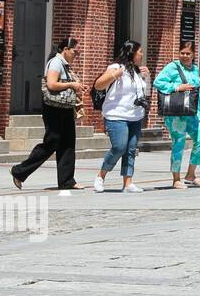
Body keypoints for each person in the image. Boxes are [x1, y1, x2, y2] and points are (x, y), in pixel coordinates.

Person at [11, 38, 86, 190]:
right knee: (52, 142)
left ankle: (67, 181)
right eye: (75, 51)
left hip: (64, 108)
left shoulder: (64, 65)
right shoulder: (56, 62)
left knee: (68, 143)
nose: (76, 54)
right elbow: (51, 84)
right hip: (54, 109)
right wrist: (72, 84)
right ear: (65, 49)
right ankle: (19, 171)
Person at [92, 40, 150, 193]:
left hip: (135, 115)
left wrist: (147, 77)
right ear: (132, 53)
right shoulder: (116, 67)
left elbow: (145, 93)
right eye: (140, 51)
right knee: (119, 147)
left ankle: (128, 182)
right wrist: (113, 75)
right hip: (116, 114)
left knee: (131, 149)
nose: (142, 54)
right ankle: (100, 176)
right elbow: (98, 85)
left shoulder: (139, 71)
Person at [153, 41, 200, 189]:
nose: (184, 56)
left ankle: (191, 175)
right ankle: (176, 178)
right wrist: (177, 87)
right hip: (175, 113)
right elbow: (158, 82)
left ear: (193, 54)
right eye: (182, 53)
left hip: (192, 112)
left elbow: (197, 93)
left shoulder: (195, 70)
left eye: (187, 53)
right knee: (179, 142)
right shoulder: (173, 67)